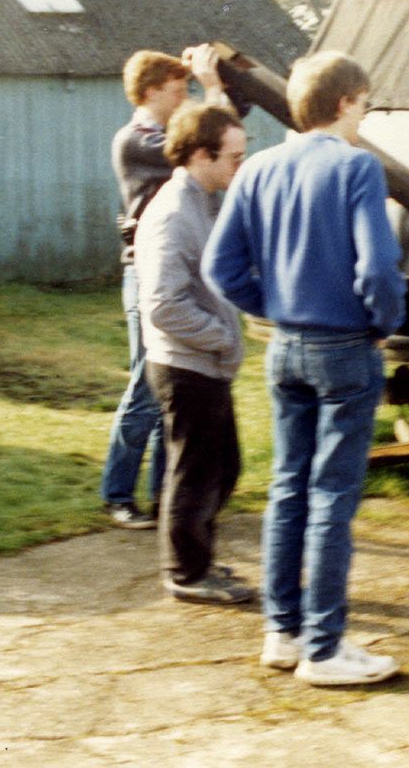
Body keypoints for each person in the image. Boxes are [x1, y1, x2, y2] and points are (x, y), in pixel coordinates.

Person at [204, 50, 406, 686]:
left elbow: (220, 267)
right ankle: (325, 648)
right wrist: (383, 323)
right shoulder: (357, 167)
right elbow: (377, 269)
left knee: (288, 488)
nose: (365, 116)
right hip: (345, 346)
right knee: (331, 498)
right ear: (347, 102)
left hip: (283, 346)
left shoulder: (258, 167)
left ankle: (282, 632)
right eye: (366, 104)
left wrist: (275, 307)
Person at [100, 44, 231, 529]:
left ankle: (165, 495)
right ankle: (117, 494)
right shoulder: (135, 140)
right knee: (145, 387)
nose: (183, 99)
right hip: (145, 273)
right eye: (178, 91)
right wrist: (213, 90)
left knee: (168, 393)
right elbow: (199, 145)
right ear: (151, 92)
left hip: (174, 270)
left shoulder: (161, 133)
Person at [136, 102, 252, 604]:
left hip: (205, 365)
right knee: (196, 474)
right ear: (201, 154)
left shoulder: (203, 199)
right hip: (185, 367)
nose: (240, 167)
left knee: (223, 469)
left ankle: (197, 559)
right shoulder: (172, 213)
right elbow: (163, 305)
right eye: (233, 157)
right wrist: (222, 337)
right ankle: (186, 574)